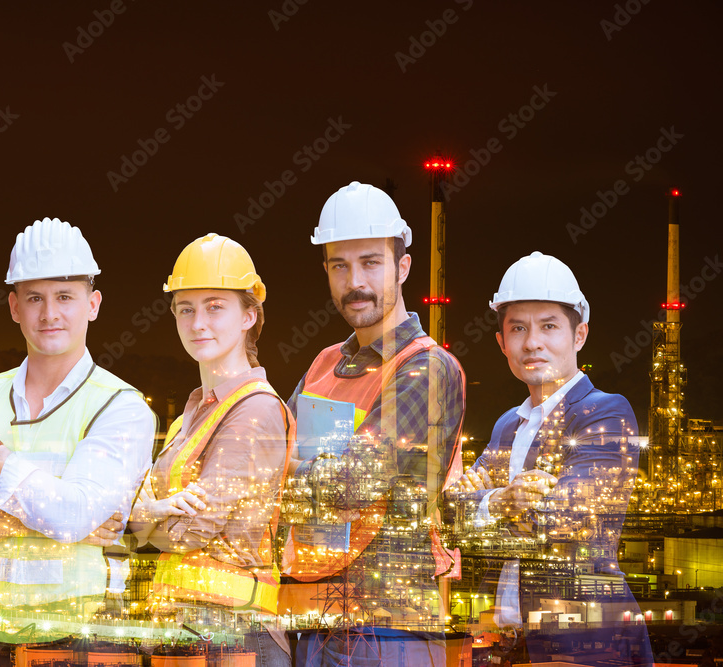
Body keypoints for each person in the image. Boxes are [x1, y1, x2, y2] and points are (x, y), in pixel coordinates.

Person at [0, 217, 156, 653]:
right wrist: (55, 520)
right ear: (14, 308)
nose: (49, 313)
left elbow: (72, 516)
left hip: (84, 642)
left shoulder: (120, 407)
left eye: (65, 296)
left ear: (93, 304)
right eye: (35, 298)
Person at [281, 181, 466, 665]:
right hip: (308, 614)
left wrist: (290, 471)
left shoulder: (426, 369)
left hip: (386, 628)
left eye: (370, 262)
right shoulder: (323, 364)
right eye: (339, 265)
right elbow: (262, 454)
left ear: (403, 267)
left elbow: (351, 482)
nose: (353, 280)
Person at [454, 251, 652, 664]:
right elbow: (450, 512)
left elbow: (564, 522)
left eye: (549, 326)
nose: (532, 342)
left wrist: (488, 507)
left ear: (579, 335)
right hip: (506, 641)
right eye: (518, 329)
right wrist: (502, 501)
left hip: (584, 640)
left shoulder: (605, 413)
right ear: (501, 342)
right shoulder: (509, 425)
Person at [127, 233, 294, 645]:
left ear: (249, 316)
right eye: (186, 309)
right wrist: (148, 513)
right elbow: (135, 520)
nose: (197, 323)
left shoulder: (254, 410)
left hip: (236, 632)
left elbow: (192, 530)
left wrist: (143, 515)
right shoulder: (198, 411)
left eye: (215, 307)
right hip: (187, 627)